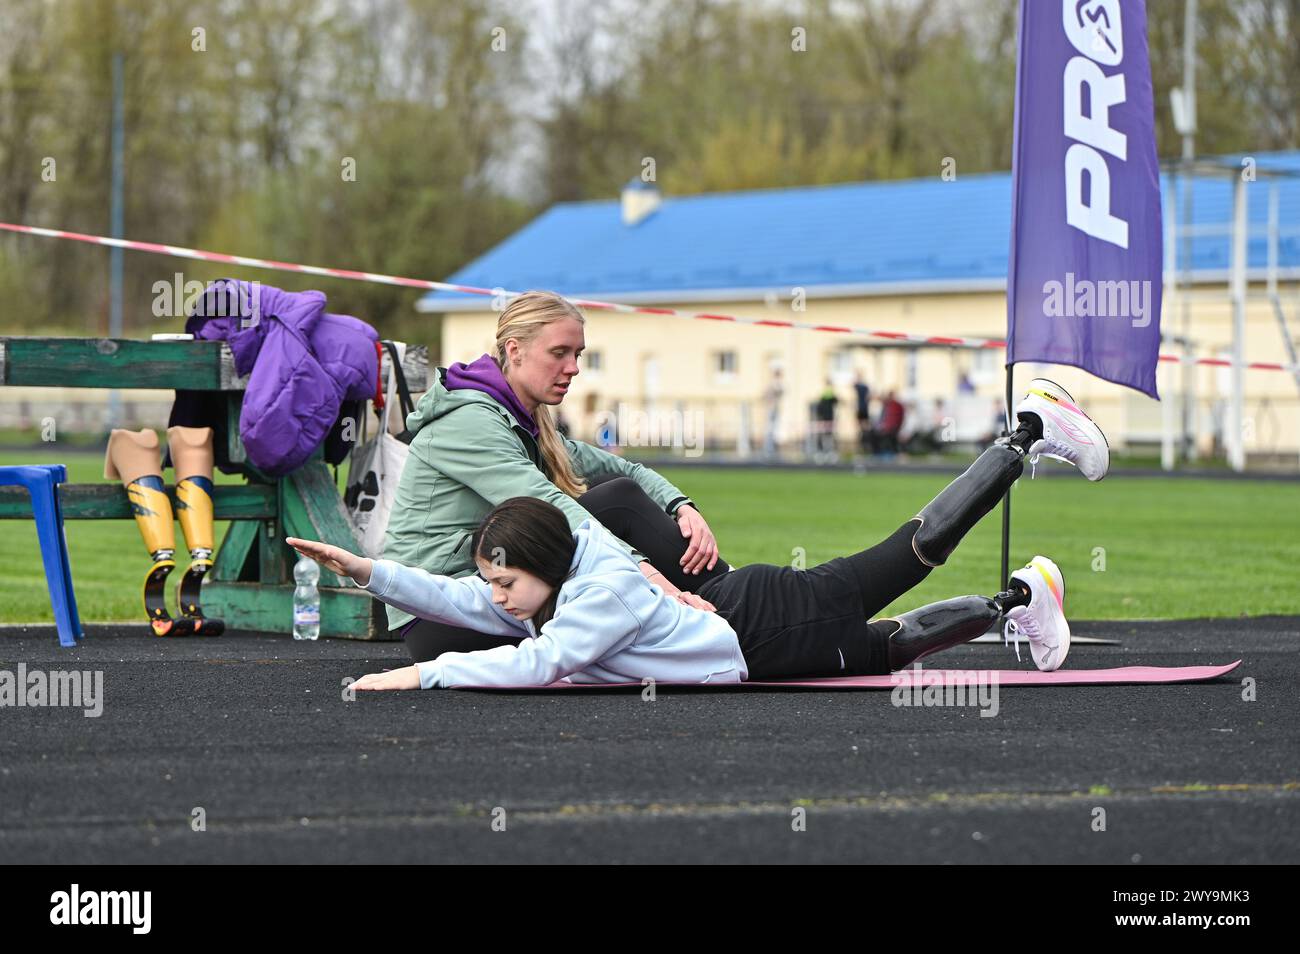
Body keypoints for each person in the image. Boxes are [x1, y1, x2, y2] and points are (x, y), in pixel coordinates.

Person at [291, 379, 1110, 690]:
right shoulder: (541, 592)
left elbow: (534, 665)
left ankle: (1026, 430)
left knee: (912, 554)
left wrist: (417, 679)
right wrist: (367, 570)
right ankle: (1022, 598)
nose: (495, 597)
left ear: (541, 570)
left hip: (764, 625)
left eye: (504, 583)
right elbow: (455, 594)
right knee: (887, 649)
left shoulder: (595, 595)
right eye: (498, 587)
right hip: (755, 636)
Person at [383, 290, 730, 664]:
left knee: (618, 495)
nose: (574, 367)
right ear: (514, 351)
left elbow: (623, 468)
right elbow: (554, 506)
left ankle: (725, 598)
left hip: (500, 590)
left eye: (577, 354)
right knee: (616, 506)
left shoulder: (521, 420)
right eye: (559, 352)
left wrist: (681, 506)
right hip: (441, 615)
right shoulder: (469, 422)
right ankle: (726, 607)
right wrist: (649, 578)